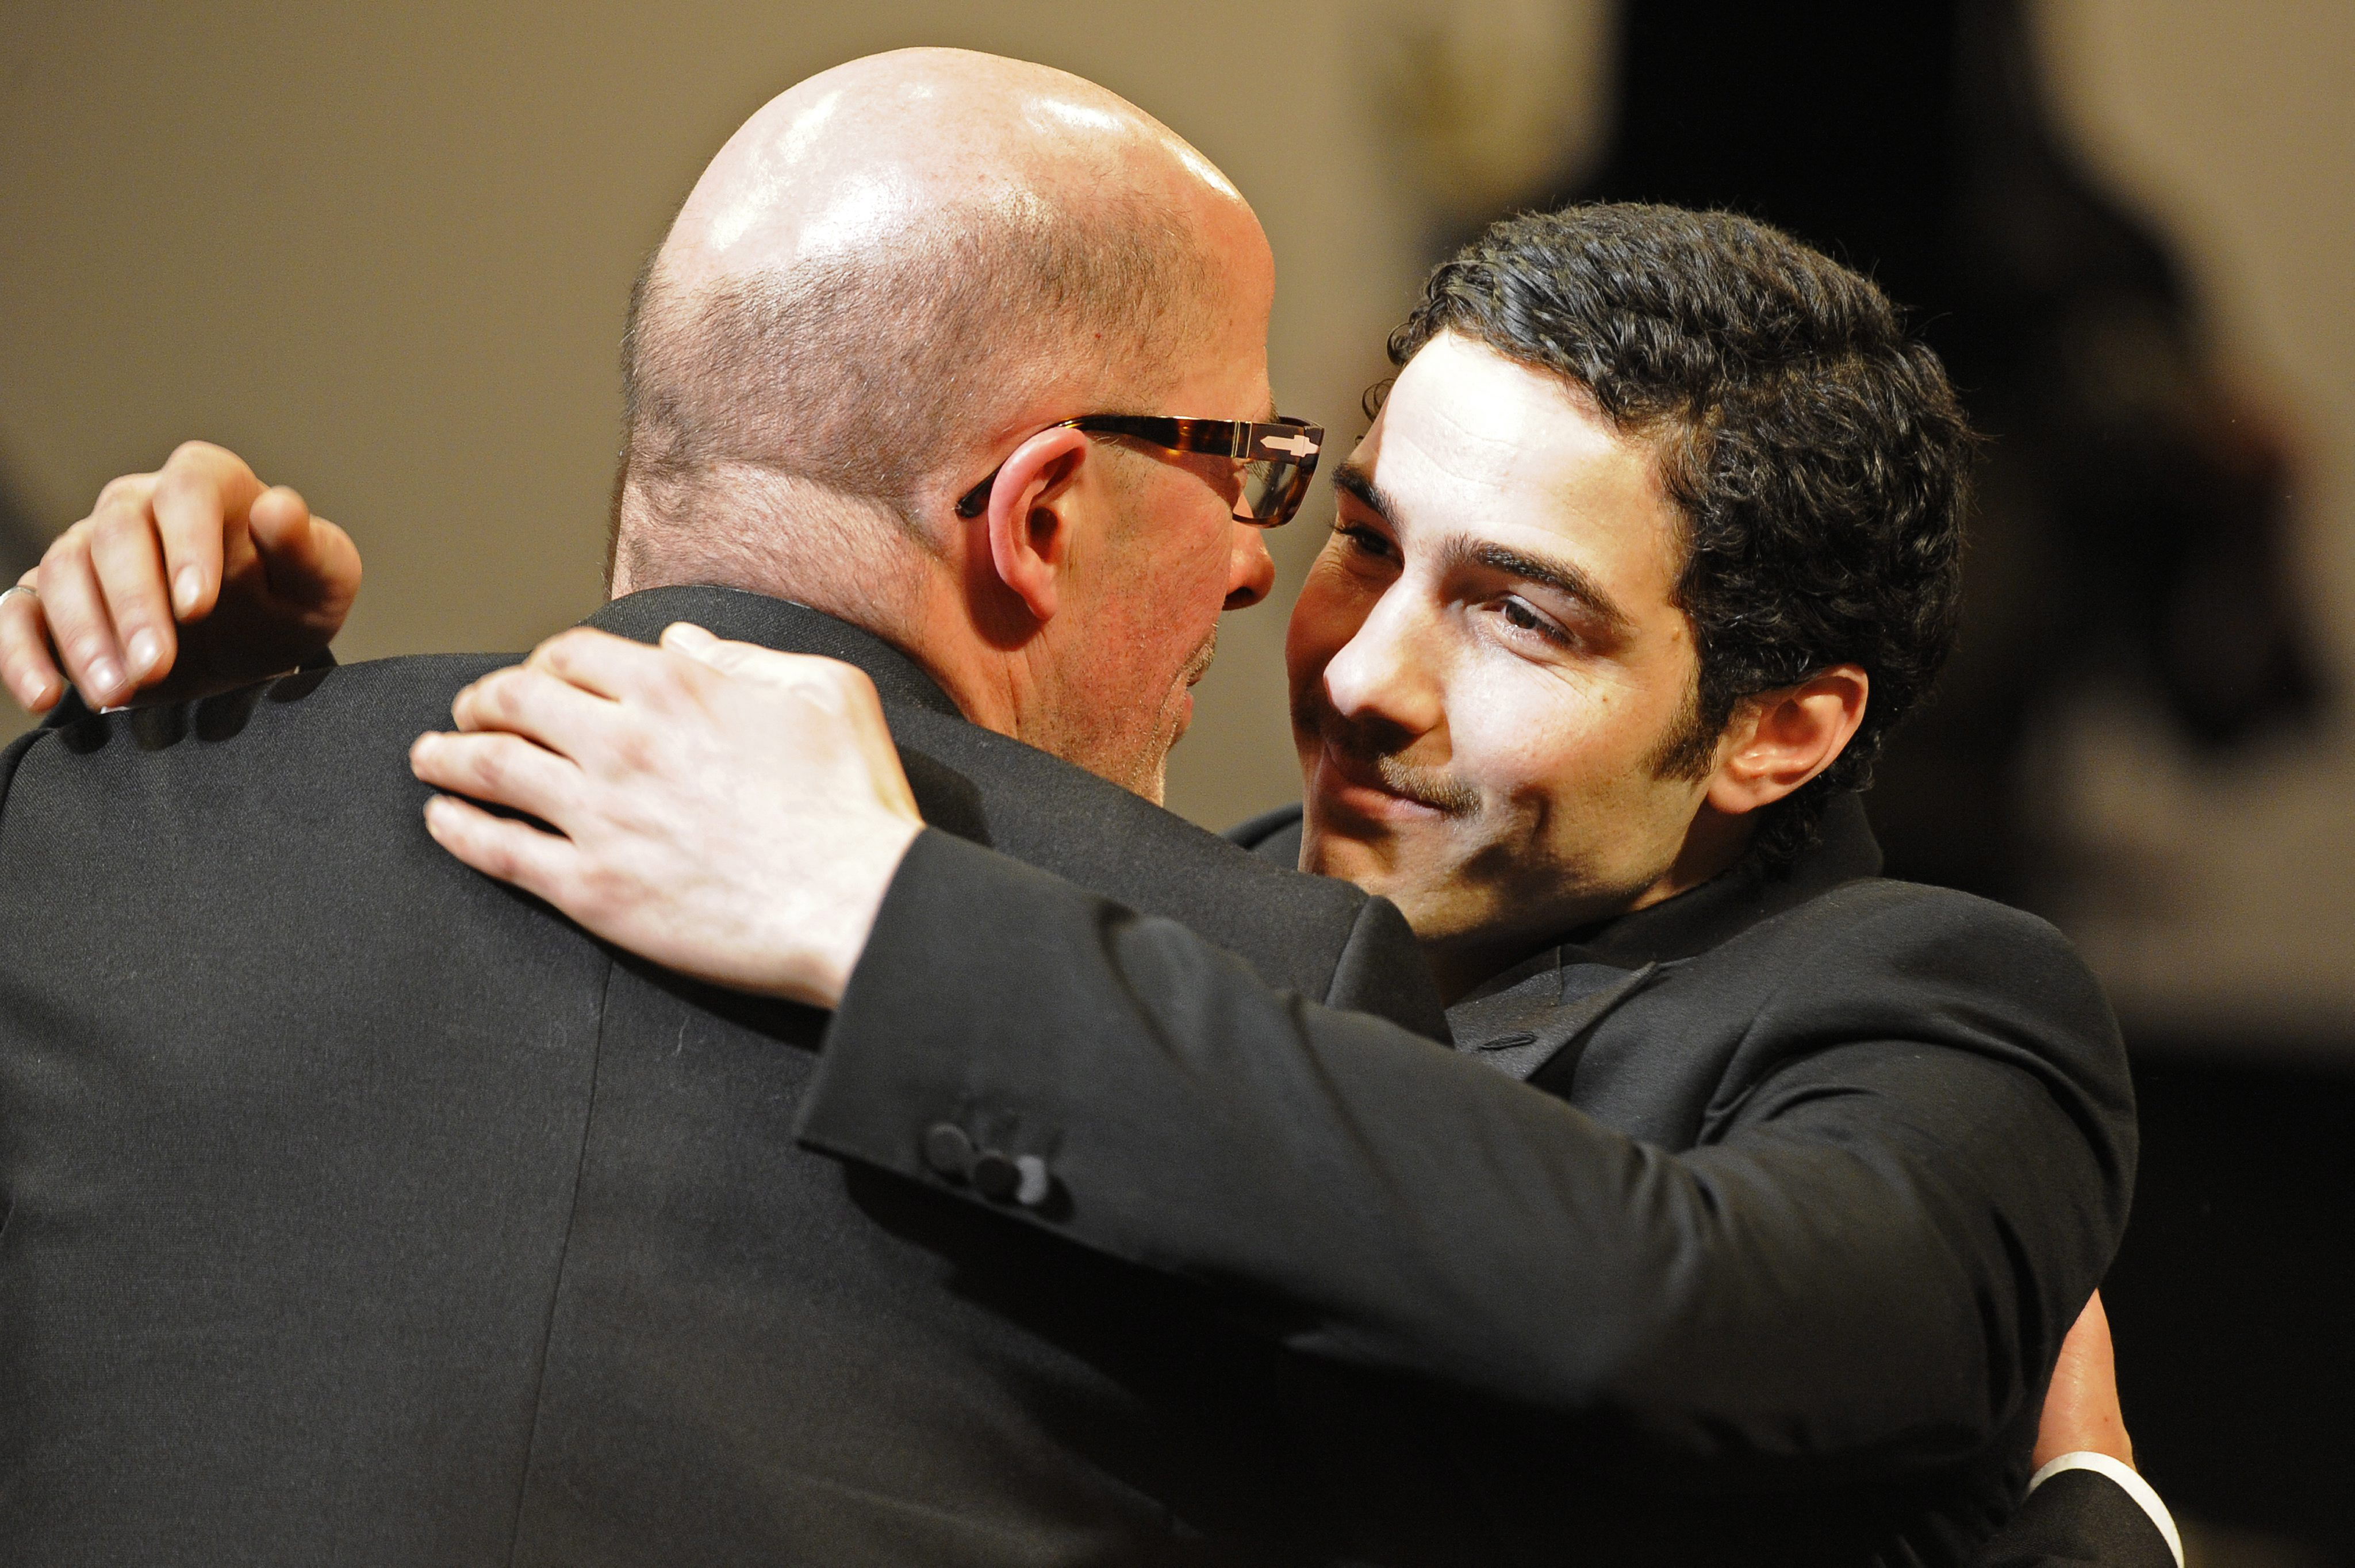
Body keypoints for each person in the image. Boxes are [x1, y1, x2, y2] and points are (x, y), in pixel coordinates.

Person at [4, 185, 2173, 1563]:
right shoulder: (1154, 897)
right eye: (1360, 545)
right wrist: (227, 739)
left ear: (1789, 725)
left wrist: (886, 918)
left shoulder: (1944, 1002)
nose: (1356, 672)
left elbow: (1676, 1300)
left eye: (1521, 614)